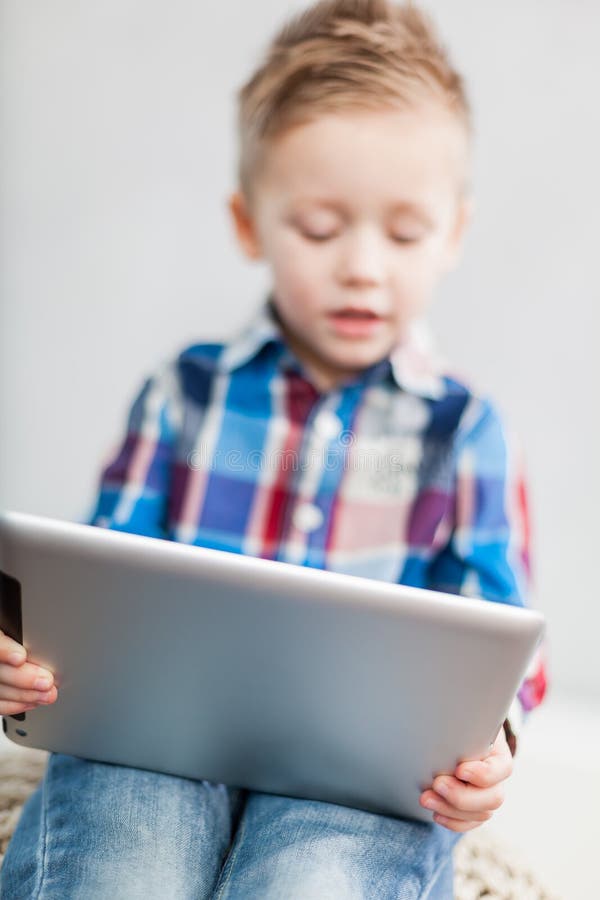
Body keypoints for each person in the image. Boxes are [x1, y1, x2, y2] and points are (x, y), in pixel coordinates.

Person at [0, 1, 548, 897]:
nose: (362, 265)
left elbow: (500, 635)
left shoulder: (465, 430)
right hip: (159, 741)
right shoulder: (186, 392)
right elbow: (95, 582)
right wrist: (31, 652)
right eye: (320, 229)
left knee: (316, 878)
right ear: (249, 223)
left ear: (452, 233)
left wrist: (495, 740)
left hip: (366, 777)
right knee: (118, 862)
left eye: (404, 233)